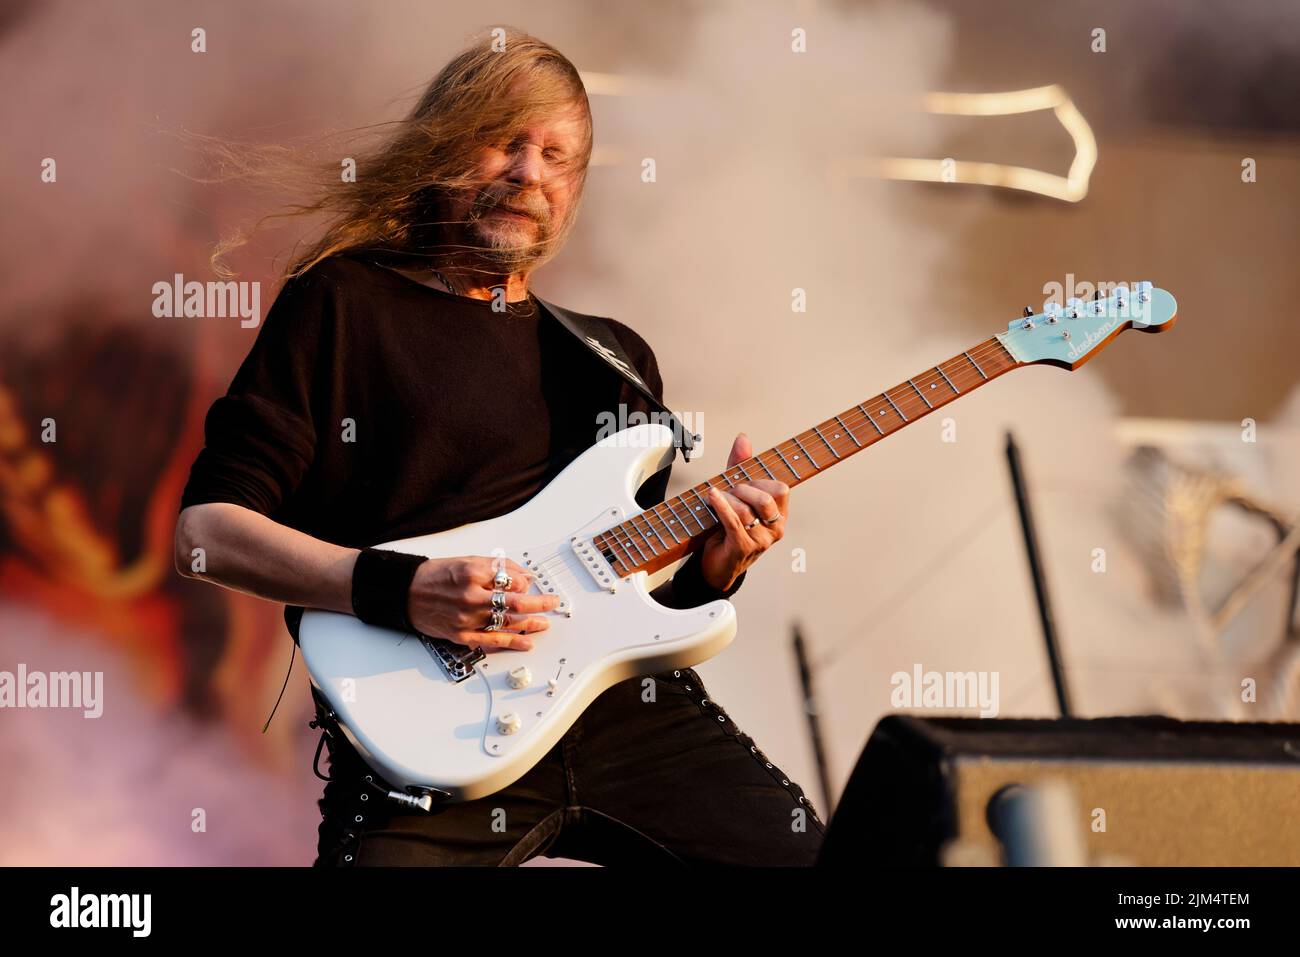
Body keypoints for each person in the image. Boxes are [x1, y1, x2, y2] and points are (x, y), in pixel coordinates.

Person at [175, 28, 824, 866]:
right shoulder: (342, 303)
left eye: (557, 155)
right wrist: (402, 589)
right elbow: (206, 534)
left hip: (632, 722)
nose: (529, 173)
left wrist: (720, 564)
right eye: (504, 141)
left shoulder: (614, 357)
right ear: (442, 145)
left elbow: (632, 604)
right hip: (423, 735)